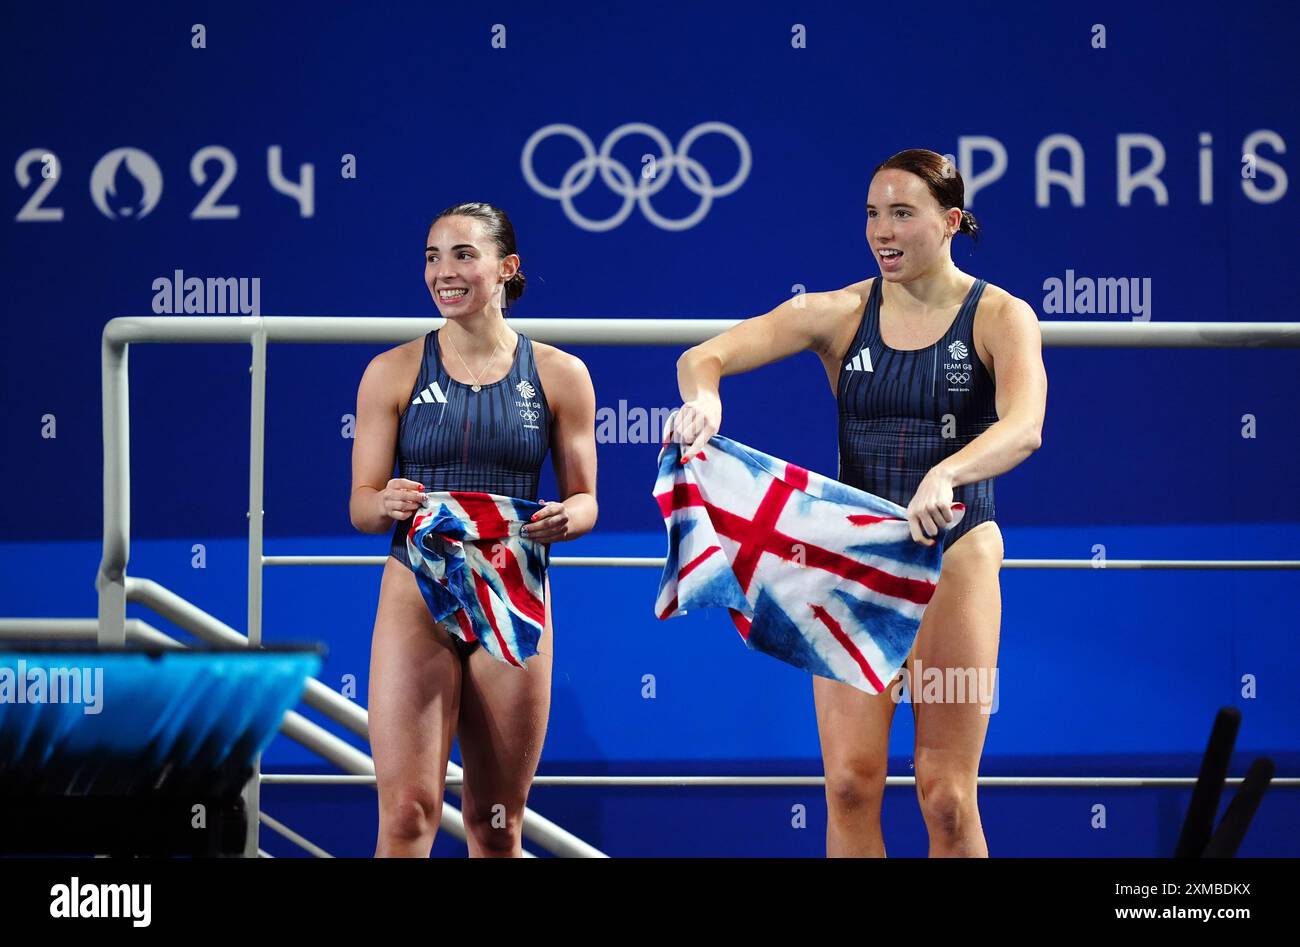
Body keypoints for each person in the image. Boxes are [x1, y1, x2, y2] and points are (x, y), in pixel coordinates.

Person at [667, 149, 1047, 856]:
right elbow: (703, 355)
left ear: (951, 221)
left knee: (947, 796)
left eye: (903, 213)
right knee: (847, 784)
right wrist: (706, 399)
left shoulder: (1001, 315)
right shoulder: (838, 311)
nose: (883, 230)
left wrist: (949, 473)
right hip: (853, 563)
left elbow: (1025, 425)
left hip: (955, 552)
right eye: (873, 214)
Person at [349, 202, 598, 857]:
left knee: (495, 826)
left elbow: (586, 501)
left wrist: (568, 518)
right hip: (417, 588)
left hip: (513, 588)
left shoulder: (561, 375)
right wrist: (388, 502)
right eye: (433, 256)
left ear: (505, 269)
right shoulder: (391, 371)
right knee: (406, 815)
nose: (443, 271)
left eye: (463, 255)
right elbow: (361, 506)